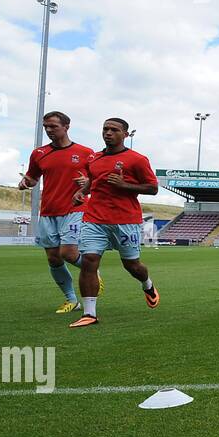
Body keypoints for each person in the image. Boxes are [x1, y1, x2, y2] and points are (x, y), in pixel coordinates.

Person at [67, 118, 160, 328]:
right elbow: (93, 180)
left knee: (132, 265)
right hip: (94, 218)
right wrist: (82, 192)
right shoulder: (95, 158)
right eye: (105, 129)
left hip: (125, 220)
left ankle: (148, 285)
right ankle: (90, 314)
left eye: (114, 130)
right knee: (89, 261)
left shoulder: (137, 159)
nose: (108, 133)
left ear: (125, 134)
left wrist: (124, 185)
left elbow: (153, 188)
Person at [18, 110, 99, 314]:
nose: (48, 130)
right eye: (46, 126)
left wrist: (88, 183)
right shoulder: (39, 153)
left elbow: (98, 179)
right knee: (53, 258)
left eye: (53, 126)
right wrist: (25, 182)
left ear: (66, 127)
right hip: (48, 211)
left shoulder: (85, 152)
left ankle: (91, 273)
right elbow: (33, 178)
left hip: (75, 207)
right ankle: (71, 300)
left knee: (69, 253)